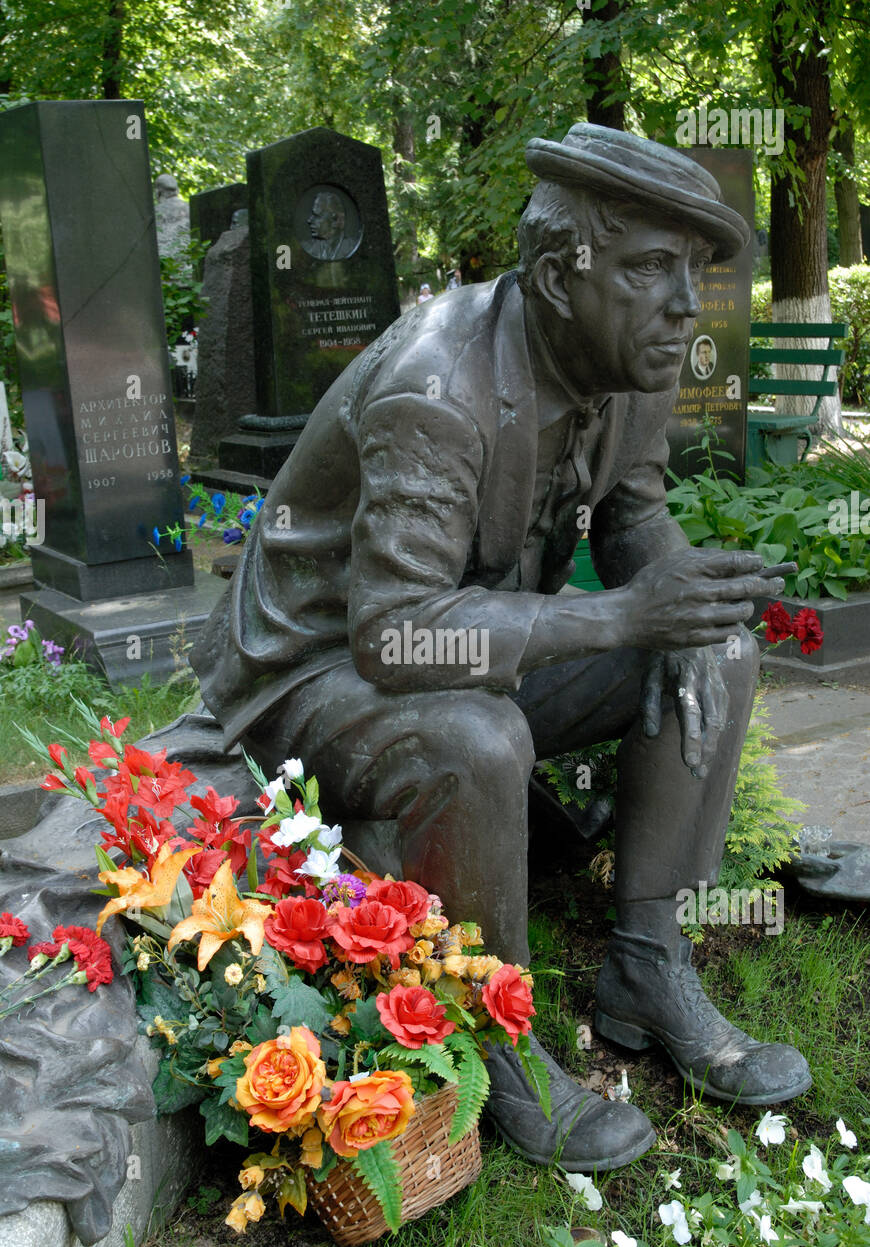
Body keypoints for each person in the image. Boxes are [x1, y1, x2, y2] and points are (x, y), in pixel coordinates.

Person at [191, 124, 810, 1173]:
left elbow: (634, 516)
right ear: (557, 275)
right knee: (479, 737)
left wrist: (684, 592)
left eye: (693, 274)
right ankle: (496, 1024)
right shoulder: (438, 392)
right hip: (311, 672)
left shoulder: (631, 362)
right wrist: (621, 617)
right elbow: (392, 634)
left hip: (464, 629)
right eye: (652, 268)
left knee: (712, 650)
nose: (680, 305)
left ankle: (648, 961)